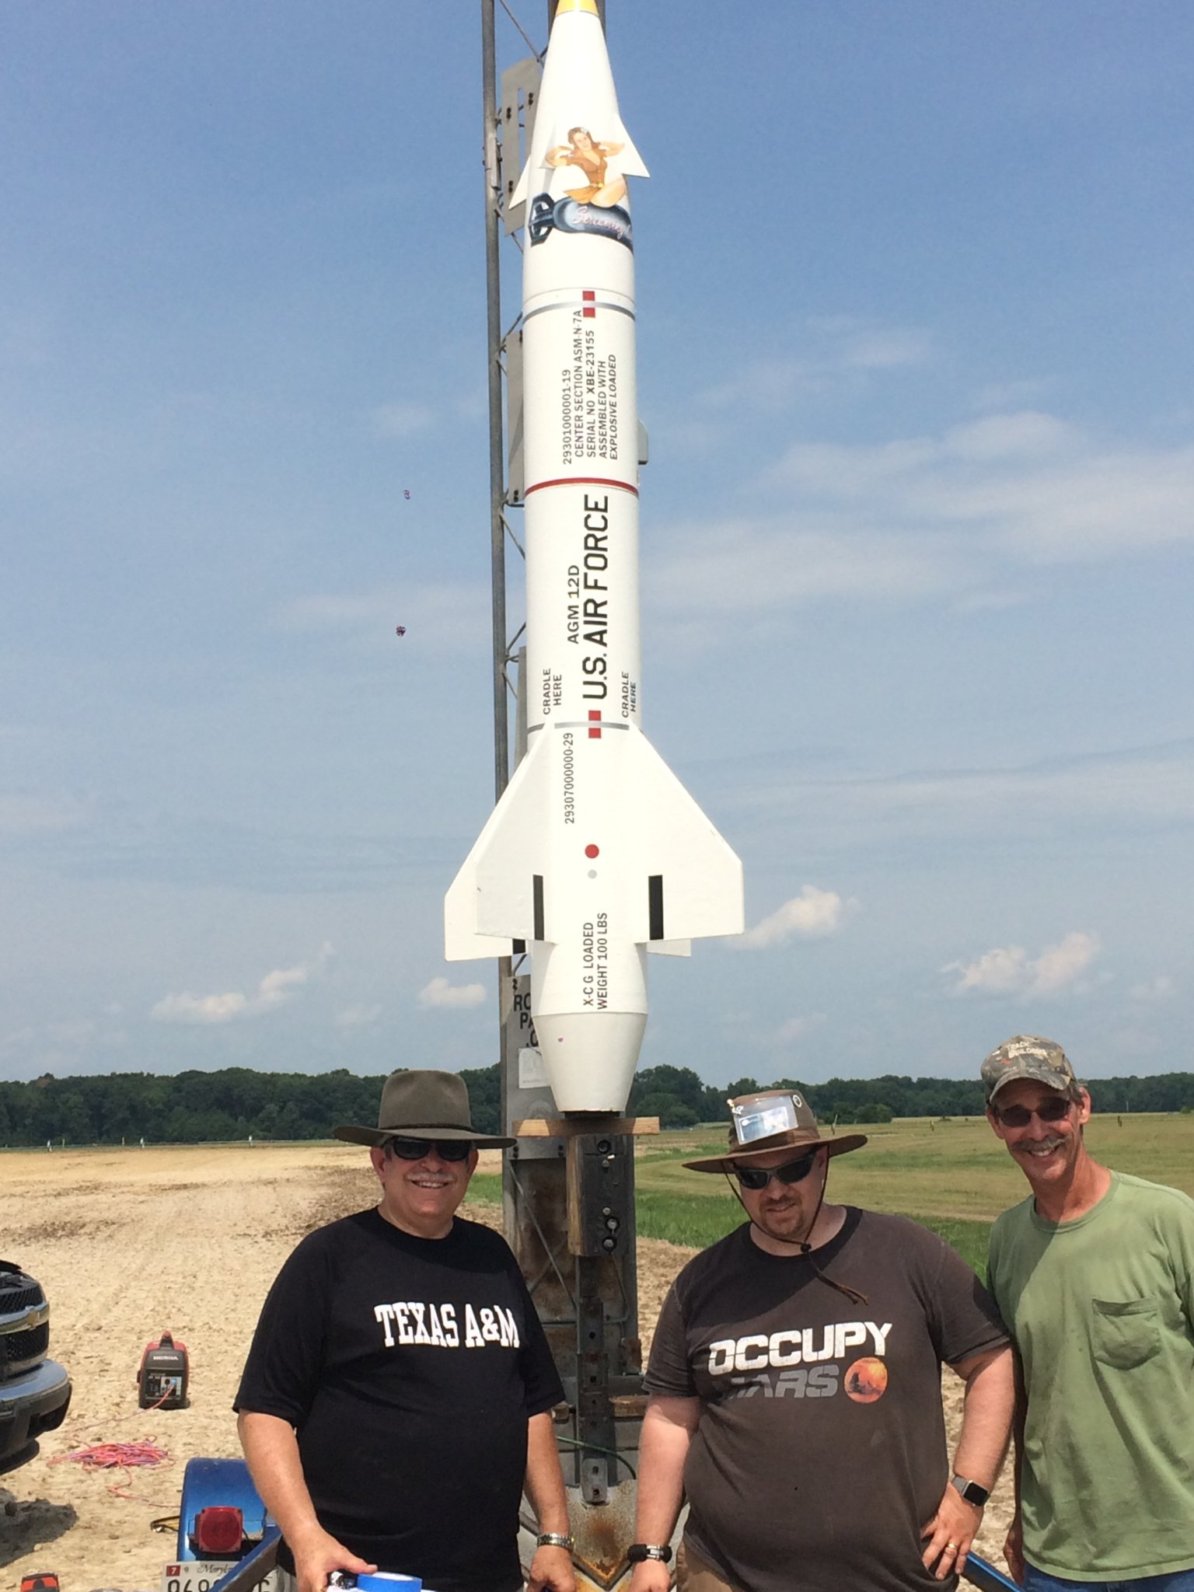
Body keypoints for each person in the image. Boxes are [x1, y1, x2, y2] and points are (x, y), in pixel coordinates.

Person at [630, 1090, 1013, 1592]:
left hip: (891, 1578)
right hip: (726, 1574)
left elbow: (991, 1362)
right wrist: (651, 1554)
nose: (776, 1190)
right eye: (754, 1177)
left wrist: (968, 1495)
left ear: (823, 1161)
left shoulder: (906, 1254)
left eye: (792, 1170)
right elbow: (670, 1419)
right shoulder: (700, 1285)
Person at [235, 1070, 576, 1592]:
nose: (433, 1164)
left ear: (472, 1164)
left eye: (451, 1151)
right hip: (361, 1574)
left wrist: (553, 1537)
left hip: (487, 1576)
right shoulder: (328, 1260)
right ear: (381, 1161)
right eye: (413, 1147)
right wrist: (305, 1538)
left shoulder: (492, 1258)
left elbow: (531, 1405)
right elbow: (265, 1412)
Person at [982, 1034, 1194, 1592]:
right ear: (994, 1124)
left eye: (1052, 1108)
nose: (1037, 1130)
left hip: (1178, 1549)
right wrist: (1024, 1519)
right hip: (1059, 1557)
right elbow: (1024, 1392)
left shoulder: (1168, 1221)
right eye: (1016, 1115)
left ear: (1083, 1107)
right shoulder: (1005, 1241)